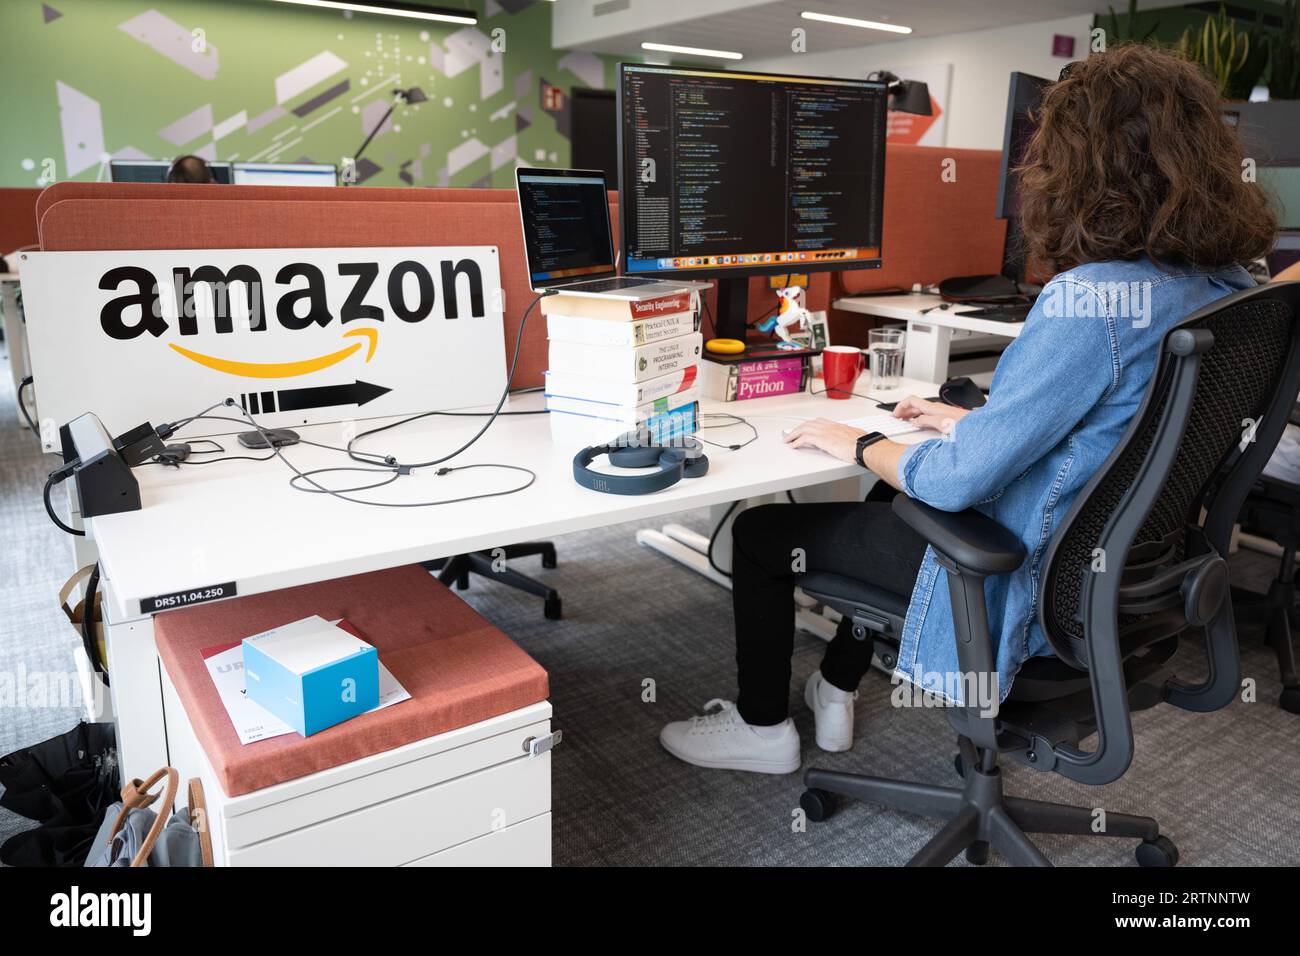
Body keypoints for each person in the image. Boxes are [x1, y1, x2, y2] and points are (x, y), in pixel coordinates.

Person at [660, 44, 1278, 774]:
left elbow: (956, 484)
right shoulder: (1234, 286)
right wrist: (962, 423)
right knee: (895, 485)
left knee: (766, 533)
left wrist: (856, 440)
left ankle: (763, 731)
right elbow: (1128, 437)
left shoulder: (1093, 301)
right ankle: (833, 686)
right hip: (1122, 573)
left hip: (1030, 576)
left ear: (1082, 171)